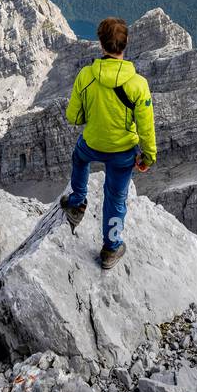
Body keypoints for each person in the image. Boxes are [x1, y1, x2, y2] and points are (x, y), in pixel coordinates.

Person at [61, 16, 156, 269]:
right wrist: (147, 157)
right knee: (115, 197)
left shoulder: (86, 76)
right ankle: (110, 249)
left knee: (79, 158)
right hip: (123, 152)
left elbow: (73, 116)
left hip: (92, 143)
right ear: (125, 45)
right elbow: (146, 127)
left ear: (100, 44)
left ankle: (77, 201)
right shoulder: (138, 84)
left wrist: (89, 115)